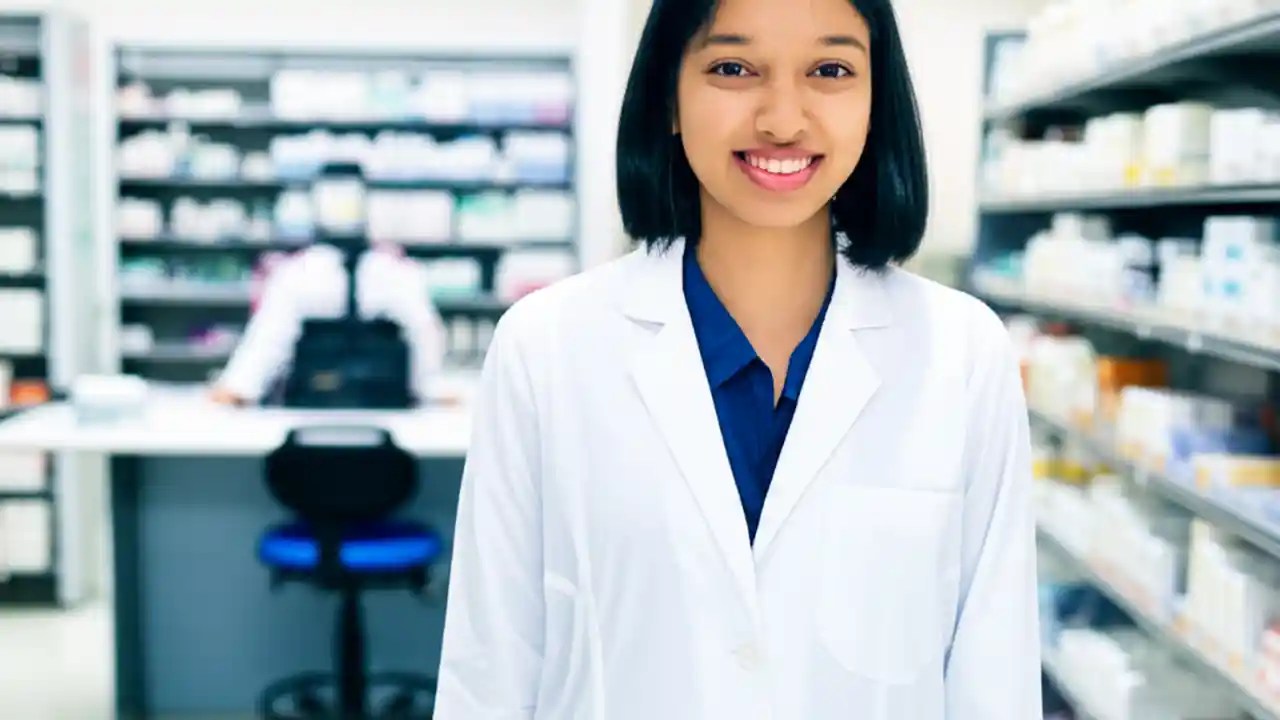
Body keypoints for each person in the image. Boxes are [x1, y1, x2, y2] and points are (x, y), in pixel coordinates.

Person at [437, 0, 1040, 716]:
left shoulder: (962, 354)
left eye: (830, 69)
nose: (783, 118)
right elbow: (490, 669)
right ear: (668, 95)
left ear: (876, 101)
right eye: (732, 67)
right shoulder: (545, 347)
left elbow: (993, 676)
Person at [209, 241, 447, 406]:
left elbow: (269, 341)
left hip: (306, 417)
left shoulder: (296, 271)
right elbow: (424, 336)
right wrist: (432, 389)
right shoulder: (398, 272)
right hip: (389, 412)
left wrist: (238, 387)